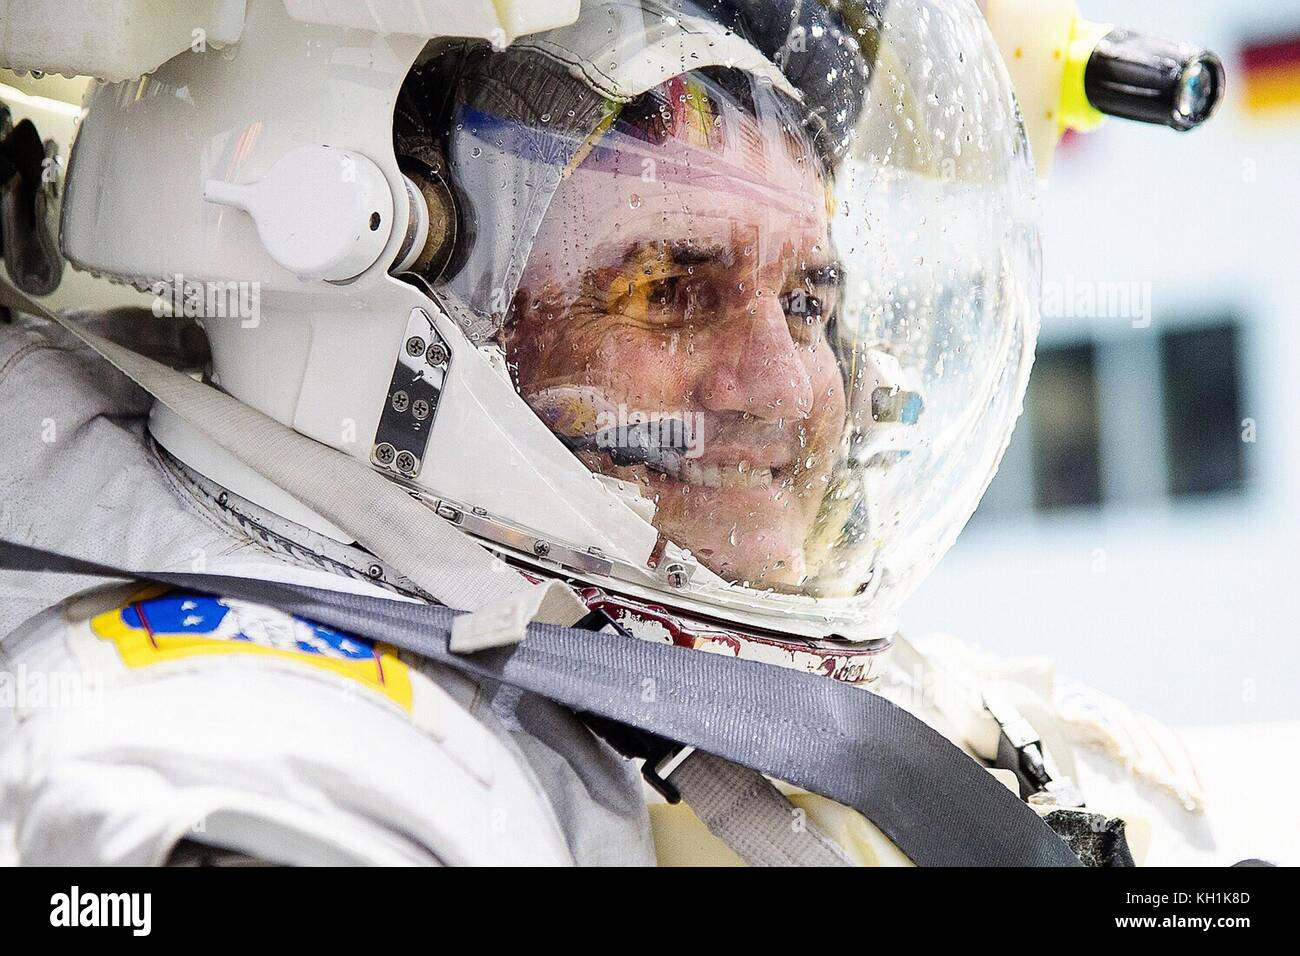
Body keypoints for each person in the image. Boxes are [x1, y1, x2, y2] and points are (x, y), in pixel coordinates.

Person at [0, 0, 1270, 866]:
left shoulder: (585, 621)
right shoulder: (263, 733)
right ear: (366, 299)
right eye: (669, 289)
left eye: (809, 298)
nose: (791, 386)